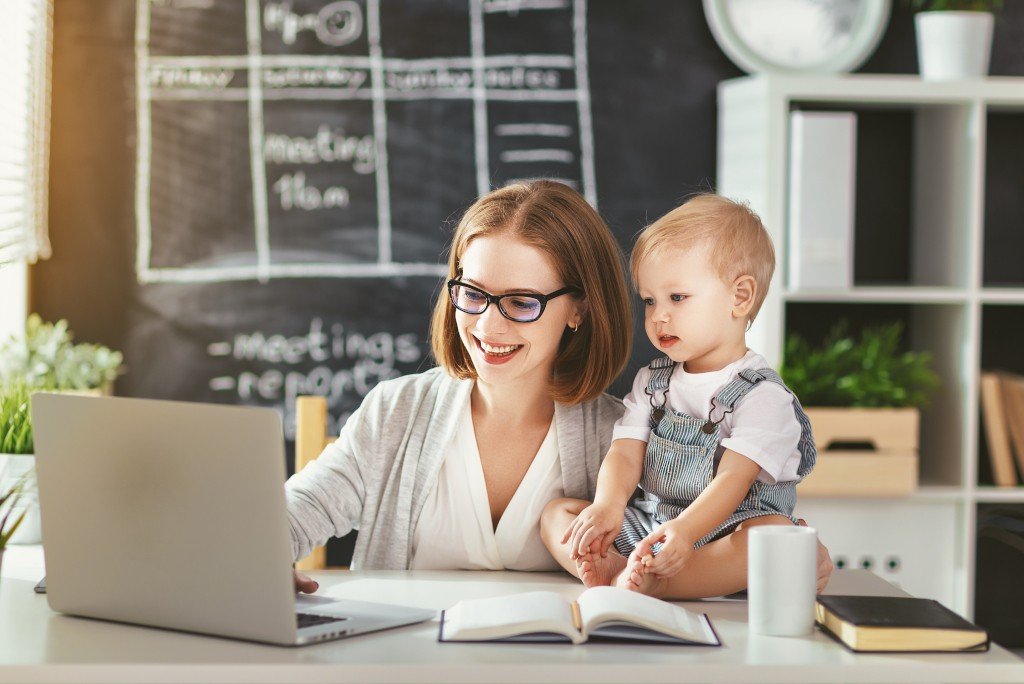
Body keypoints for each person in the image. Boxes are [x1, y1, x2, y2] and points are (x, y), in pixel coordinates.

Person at [284, 180, 633, 592]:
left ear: (580, 308)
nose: (486, 326)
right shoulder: (397, 410)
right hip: (404, 655)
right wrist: (260, 557)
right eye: (472, 293)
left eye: (521, 303)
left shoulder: (624, 440)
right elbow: (299, 510)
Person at [540, 193, 829, 599]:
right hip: (654, 526)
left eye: (677, 298)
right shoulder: (652, 381)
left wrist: (685, 532)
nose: (658, 316)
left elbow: (732, 480)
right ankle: (620, 568)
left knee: (774, 536)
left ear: (740, 297)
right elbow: (625, 452)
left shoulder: (763, 397)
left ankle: (657, 583)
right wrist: (607, 506)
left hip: (723, 535)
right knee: (559, 514)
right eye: (649, 300)